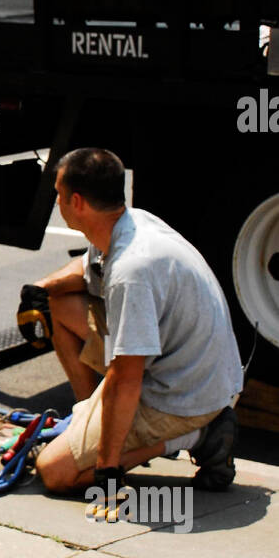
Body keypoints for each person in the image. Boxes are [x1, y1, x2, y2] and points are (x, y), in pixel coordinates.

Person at [31, 148, 242, 513]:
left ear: (76, 202)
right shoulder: (130, 223)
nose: (57, 201)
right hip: (189, 369)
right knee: (61, 305)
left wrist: (108, 471)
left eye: (58, 193)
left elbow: (127, 378)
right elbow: (85, 272)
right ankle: (87, 419)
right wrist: (36, 291)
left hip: (183, 396)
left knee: (54, 472)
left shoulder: (132, 272)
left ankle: (201, 434)